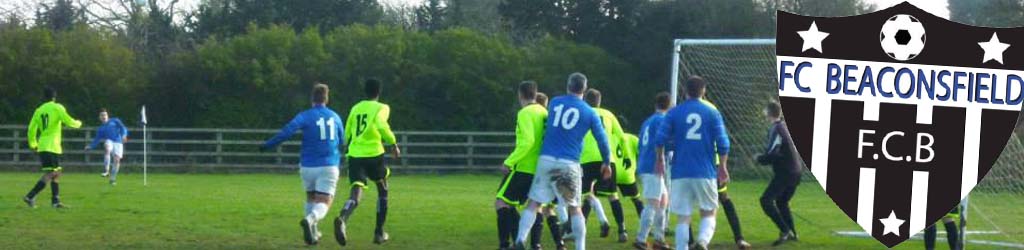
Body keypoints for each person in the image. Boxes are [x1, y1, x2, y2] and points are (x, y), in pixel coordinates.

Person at [513, 72, 613, 250]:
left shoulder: (555, 103)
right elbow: (602, 139)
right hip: (569, 162)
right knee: (575, 207)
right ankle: (580, 247)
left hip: (547, 159)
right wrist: (606, 161)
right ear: (584, 89)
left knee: (534, 202)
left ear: (568, 86)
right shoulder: (589, 112)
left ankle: (521, 239)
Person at [260, 83, 344, 245]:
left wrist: (268, 145)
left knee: (311, 198)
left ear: (312, 98)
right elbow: (342, 140)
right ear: (326, 98)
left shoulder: (304, 116)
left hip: (307, 166)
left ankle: (313, 234)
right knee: (325, 201)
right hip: (328, 164)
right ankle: (310, 219)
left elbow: (287, 131)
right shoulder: (335, 116)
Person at [654, 76, 732, 250]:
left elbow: (659, 139)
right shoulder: (712, 112)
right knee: (709, 212)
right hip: (705, 171)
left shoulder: (674, 112)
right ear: (703, 91)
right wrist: (723, 167)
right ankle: (703, 242)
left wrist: (659, 160)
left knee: (683, 216)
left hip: (680, 172)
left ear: (685, 91)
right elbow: (723, 143)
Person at [335, 78, 401, 246]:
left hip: (355, 154)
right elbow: (380, 123)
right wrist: (392, 143)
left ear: (365, 92)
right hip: (373, 153)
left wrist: (346, 147)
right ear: (379, 92)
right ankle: (379, 233)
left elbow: (348, 132)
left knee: (356, 191)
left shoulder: (356, 108)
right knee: (382, 190)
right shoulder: (382, 107)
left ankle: (343, 218)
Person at [496, 81, 556, 250]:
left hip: (525, 167)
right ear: (535, 94)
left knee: (502, 202)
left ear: (520, 94)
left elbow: (527, 142)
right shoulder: (544, 112)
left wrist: (509, 161)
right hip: (542, 167)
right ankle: (534, 244)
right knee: (535, 205)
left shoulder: (525, 113)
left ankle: (505, 244)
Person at [578, 89, 628, 242]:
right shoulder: (608, 114)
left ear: (585, 100)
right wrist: (626, 156)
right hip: (607, 160)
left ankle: (581, 229)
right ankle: (622, 230)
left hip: (587, 159)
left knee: (587, 195)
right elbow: (622, 137)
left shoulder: (582, 113)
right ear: (599, 101)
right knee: (613, 196)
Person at [23, 87, 82, 209]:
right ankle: (30, 196)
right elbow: (68, 120)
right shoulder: (57, 107)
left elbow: (31, 129)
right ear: (54, 97)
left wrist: (33, 143)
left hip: (43, 145)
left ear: (44, 97)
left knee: (57, 172)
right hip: (52, 146)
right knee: (52, 172)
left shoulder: (38, 110)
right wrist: (78, 123)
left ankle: (55, 201)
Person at [755, 101, 802, 246]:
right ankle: (793, 233)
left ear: (768, 113)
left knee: (765, 200)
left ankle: (785, 230)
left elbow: (773, 153)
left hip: (786, 173)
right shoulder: (784, 126)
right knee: (781, 202)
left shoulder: (776, 128)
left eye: (765, 111)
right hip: (796, 172)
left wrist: (759, 158)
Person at [633, 92, 673, 250]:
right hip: (654, 165)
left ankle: (659, 239)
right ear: (669, 106)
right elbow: (663, 142)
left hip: (646, 163)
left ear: (655, 105)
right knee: (653, 203)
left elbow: (640, 143)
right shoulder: (663, 120)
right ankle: (641, 239)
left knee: (663, 201)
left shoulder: (648, 121)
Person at [85, 108, 129, 185]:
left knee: (117, 160)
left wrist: (124, 135)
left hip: (118, 143)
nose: (103, 116)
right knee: (107, 147)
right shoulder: (100, 129)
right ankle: (106, 170)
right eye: (102, 115)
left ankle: (112, 179)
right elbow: (97, 139)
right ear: (99, 117)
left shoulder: (115, 120)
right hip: (110, 141)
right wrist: (90, 146)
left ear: (107, 115)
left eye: (105, 114)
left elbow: (123, 128)